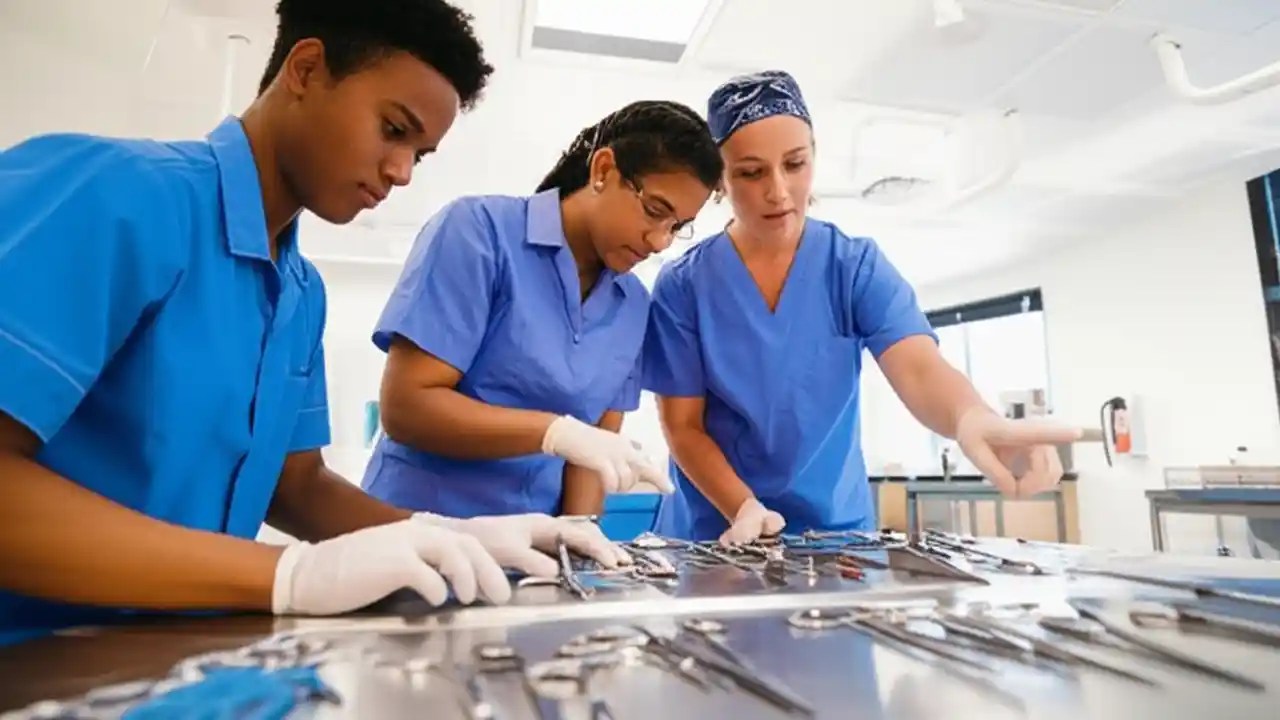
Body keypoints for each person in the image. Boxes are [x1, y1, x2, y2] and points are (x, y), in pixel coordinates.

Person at [0, 0, 625, 645]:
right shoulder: (116, 195)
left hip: (164, 656)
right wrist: (287, 576)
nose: (400, 172)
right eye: (393, 129)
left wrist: (443, 535)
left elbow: (295, 487)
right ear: (305, 69)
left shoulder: (299, 293)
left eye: (419, 154)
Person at [642, 70, 1083, 545]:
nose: (779, 191)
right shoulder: (684, 285)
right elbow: (683, 427)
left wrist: (972, 418)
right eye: (751, 173)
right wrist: (743, 508)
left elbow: (919, 369)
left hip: (831, 535)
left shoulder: (853, 268)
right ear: (719, 180)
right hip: (715, 533)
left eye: (795, 164)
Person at [362, 101, 722, 519]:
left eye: (677, 227)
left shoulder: (633, 305)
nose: (660, 241)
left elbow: (594, 453)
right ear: (603, 169)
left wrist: (579, 533)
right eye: (655, 211)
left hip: (534, 547)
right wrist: (554, 433)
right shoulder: (479, 232)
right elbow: (407, 408)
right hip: (417, 532)